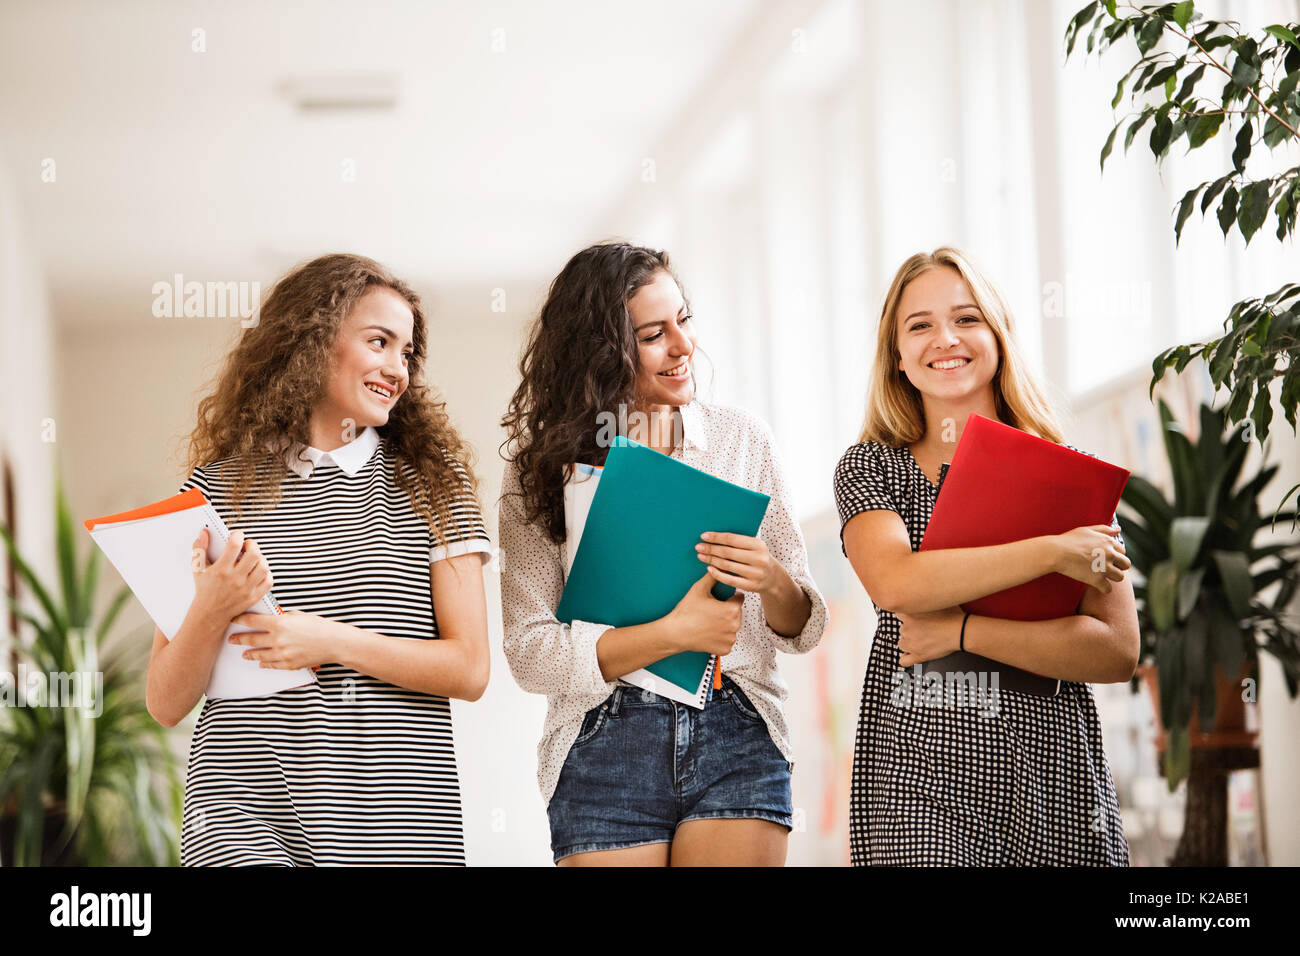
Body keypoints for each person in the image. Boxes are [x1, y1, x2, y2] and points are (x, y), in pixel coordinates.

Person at [145, 253, 491, 866]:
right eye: (379, 342)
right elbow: (166, 701)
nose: (397, 368)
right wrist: (212, 607)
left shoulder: (435, 486)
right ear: (310, 341)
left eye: (406, 352)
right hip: (237, 814)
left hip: (395, 824)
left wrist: (327, 641)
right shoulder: (217, 489)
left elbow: (468, 669)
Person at [499, 241, 827, 866]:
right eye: (654, 334)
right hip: (602, 737)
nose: (683, 346)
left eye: (685, 319)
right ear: (600, 352)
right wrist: (673, 632)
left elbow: (804, 628)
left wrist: (772, 579)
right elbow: (528, 653)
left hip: (738, 724)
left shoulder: (741, 440)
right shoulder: (539, 473)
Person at [833, 246, 1137, 866]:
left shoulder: (1070, 477)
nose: (945, 338)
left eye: (967, 318)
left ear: (998, 334)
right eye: (919, 325)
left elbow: (1116, 649)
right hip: (919, 776)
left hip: (1055, 777)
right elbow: (897, 583)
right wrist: (1054, 550)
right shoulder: (872, 467)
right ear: (897, 356)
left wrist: (965, 629)